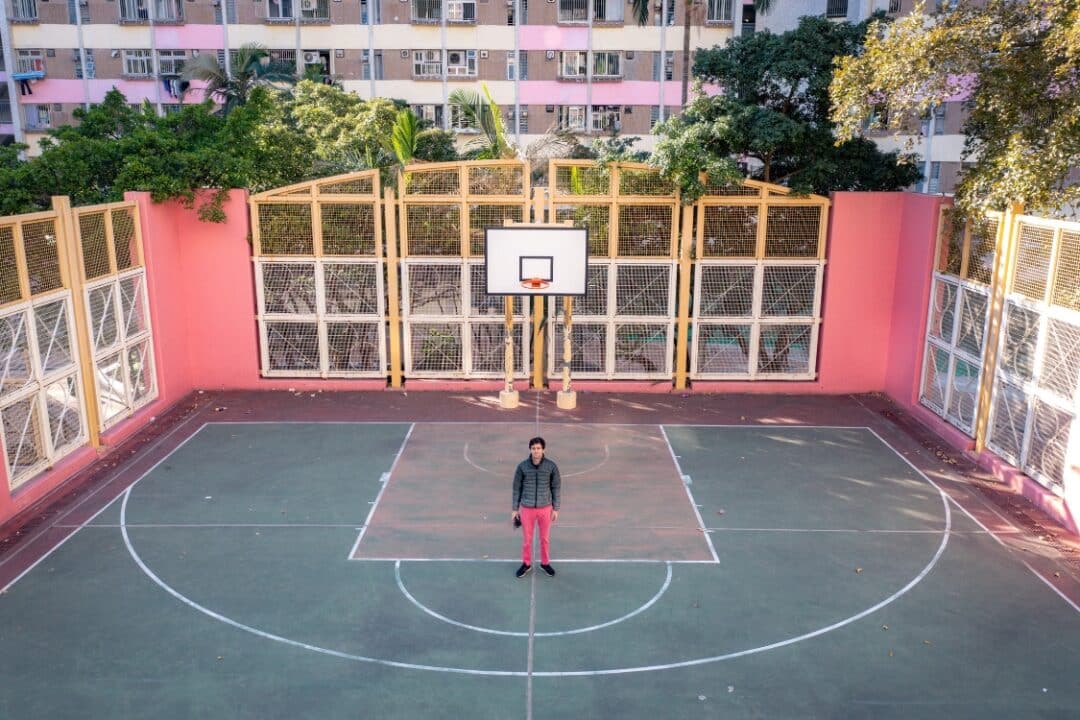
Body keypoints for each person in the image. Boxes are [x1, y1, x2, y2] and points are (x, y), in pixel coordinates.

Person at [511, 436, 561, 578]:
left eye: (538, 448)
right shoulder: (522, 467)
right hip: (526, 508)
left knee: (544, 538)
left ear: (543, 449)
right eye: (533, 448)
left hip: (545, 508)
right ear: (530, 450)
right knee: (527, 539)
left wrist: (556, 508)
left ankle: (545, 563)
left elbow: (556, 487)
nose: (536, 451)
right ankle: (526, 563)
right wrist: (515, 509)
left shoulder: (551, 466)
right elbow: (517, 488)